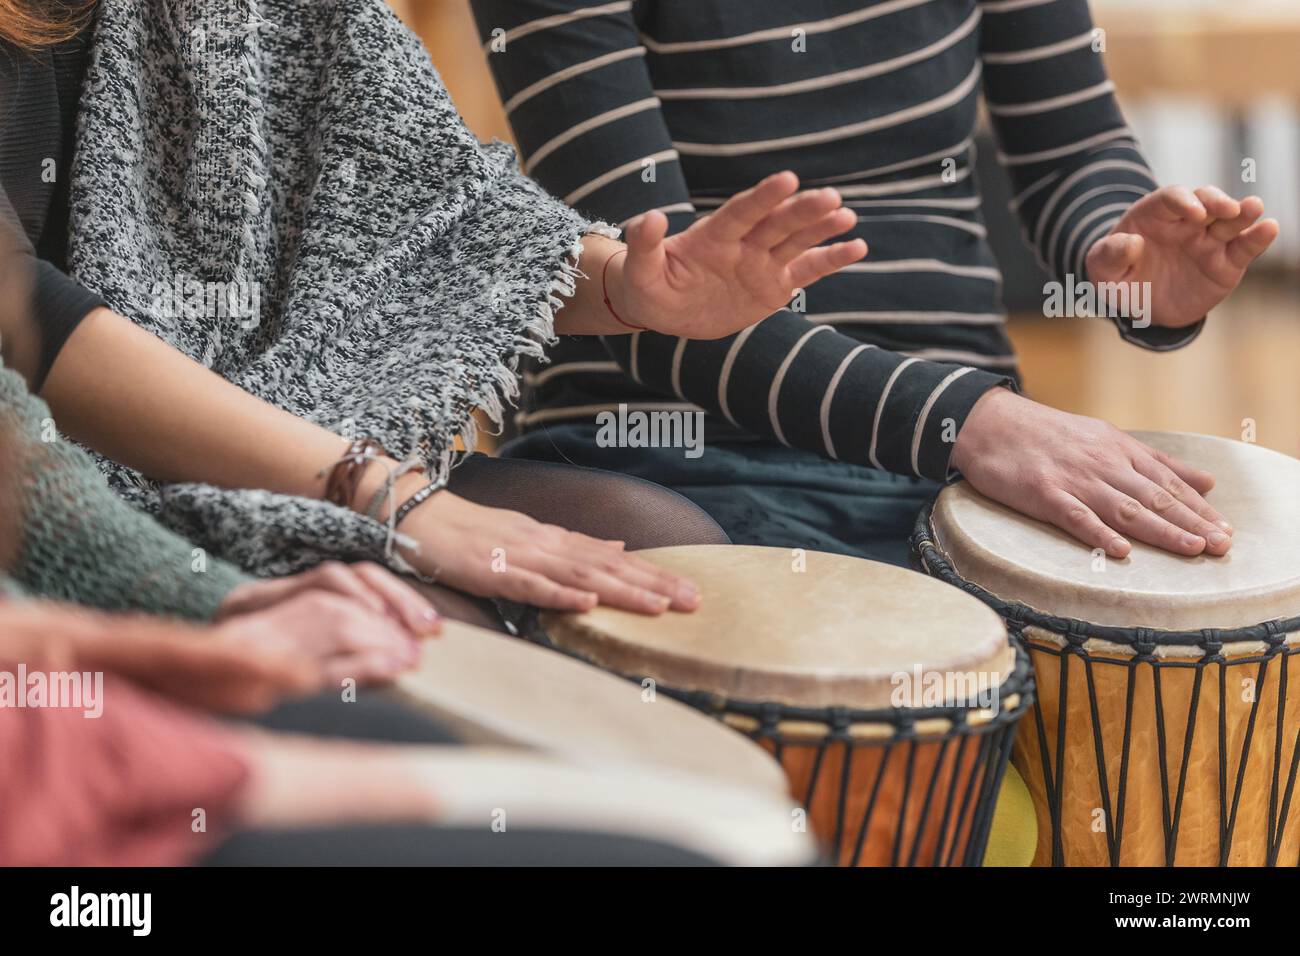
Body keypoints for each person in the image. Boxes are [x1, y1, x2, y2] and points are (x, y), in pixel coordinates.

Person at [0, 0, 864, 625]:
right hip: (38, 480)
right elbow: (29, 323)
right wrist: (392, 499)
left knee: (665, 547)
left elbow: (429, 205)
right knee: (422, 624)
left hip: (292, 426)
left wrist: (629, 286)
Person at [468, 0, 1279, 565]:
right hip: (682, 459)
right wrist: (970, 420)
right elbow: (654, 296)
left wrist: (1121, 256)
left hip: (961, 458)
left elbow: (1073, 150)